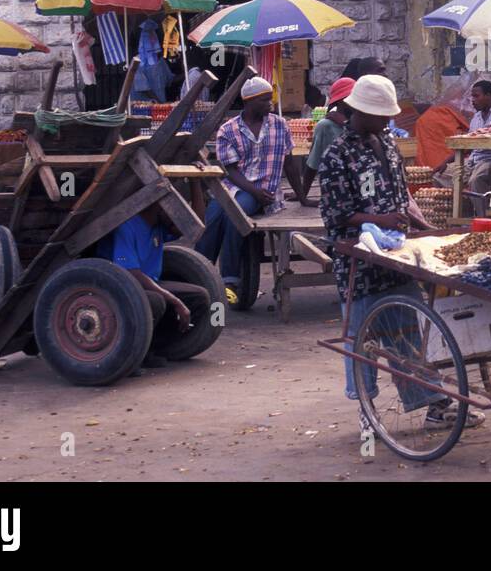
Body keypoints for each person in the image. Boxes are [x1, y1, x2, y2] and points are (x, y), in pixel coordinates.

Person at [317, 74, 483, 434]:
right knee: (363, 339)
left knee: (410, 332)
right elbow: (337, 217)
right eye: (380, 116)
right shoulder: (337, 156)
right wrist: (379, 219)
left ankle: (434, 404)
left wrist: (419, 224)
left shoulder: (387, 144)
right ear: (358, 111)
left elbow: (399, 195)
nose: (386, 122)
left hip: (398, 257)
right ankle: (366, 407)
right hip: (360, 262)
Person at [196, 76, 305, 306]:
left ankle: (229, 279)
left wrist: (302, 196)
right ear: (250, 101)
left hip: (265, 194)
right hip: (238, 187)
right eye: (265, 100)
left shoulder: (279, 125)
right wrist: (253, 191)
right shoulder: (228, 130)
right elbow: (231, 171)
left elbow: (289, 163)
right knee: (213, 219)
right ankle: (199, 272)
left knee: (235, 215)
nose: (270, 104)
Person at [100, 202, 208, 369]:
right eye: (170, 208)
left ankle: (153, 347)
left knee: (199, 297)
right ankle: (130, 356)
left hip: (151, 283)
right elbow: (131, 274)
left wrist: (197, 185)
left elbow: (194, 228)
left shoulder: (158, 225)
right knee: (156, 301)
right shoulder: (127, 226)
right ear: (156, 206)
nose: (175, 215)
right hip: (126, 287)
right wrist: (175, 301)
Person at [433, 80, 491, 215]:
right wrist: (445, 163)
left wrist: (474, 140)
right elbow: (468, 145)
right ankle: (465, 214)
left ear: (489, 96)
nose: (472, 100)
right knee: (439, 176)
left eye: (476, 96)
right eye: (472, 96)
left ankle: (484, 219)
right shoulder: (476, 117)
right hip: (474, 160)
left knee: (476, 179)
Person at [299, 77, 355, 205]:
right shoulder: (326, 126)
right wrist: (302, 195)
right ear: (341, 101)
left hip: (365, 186)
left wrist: (345, 123)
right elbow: (312, 163)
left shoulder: (362, 121)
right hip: (340, 190)